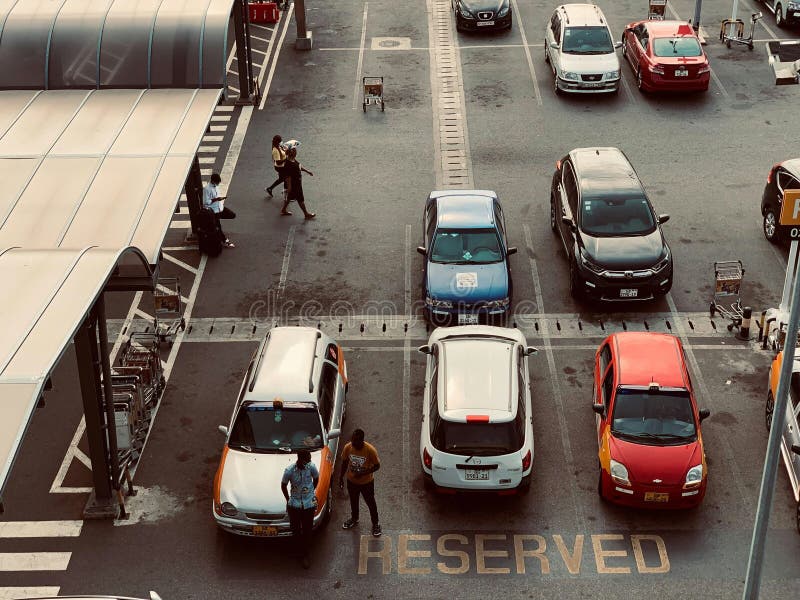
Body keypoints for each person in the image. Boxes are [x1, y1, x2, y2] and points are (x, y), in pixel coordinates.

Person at [281, 449, 319, 569]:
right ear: (301, 459)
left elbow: (316, 478)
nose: (310, 461)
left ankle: (305, 554)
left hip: (308, 505)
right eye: (308, 459)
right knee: (295, 530)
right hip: (295, 505)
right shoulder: (289, 470)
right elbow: (283, 485)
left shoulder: (311, 467)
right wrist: (289, 500)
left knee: (307, 530)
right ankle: (298, 551)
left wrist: (311, 492)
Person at [338, 428, 381, 537]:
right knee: (353, 501)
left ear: (361, 440)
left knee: (371, 503)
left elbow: (377, 466)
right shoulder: (348, 447)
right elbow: (344, 462)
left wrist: (364, 472)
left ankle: (376, 523)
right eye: (352, 440)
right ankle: (354, 518)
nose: (352, 442)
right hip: (352, 482)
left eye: (355, 440)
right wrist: (341, 477)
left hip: (367, 483)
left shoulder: (370, 450)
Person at [281, 147, 316, 219]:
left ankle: (283, 210)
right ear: (292, 153)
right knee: (300, 199)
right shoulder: (288, 164)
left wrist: (307, 171)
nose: (296, 153)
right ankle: (306, 214)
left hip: (297, 183)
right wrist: (289, 187)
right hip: (295, 185)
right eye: (295, 151)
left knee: (289, 197)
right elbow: (288, 176)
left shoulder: (293, 160)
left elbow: (299, 167)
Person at [202, 173, 236, 248]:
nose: (218, 184)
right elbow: (205, 202)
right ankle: (225, 241)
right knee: (218, 227)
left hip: (220, 208)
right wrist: (216, 199)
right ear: (213, 181)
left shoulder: (216, 186)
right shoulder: (206, 189)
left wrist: (219, 199)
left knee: (232, 215)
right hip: (214, 210)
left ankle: (214, 220)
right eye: (217, 182)